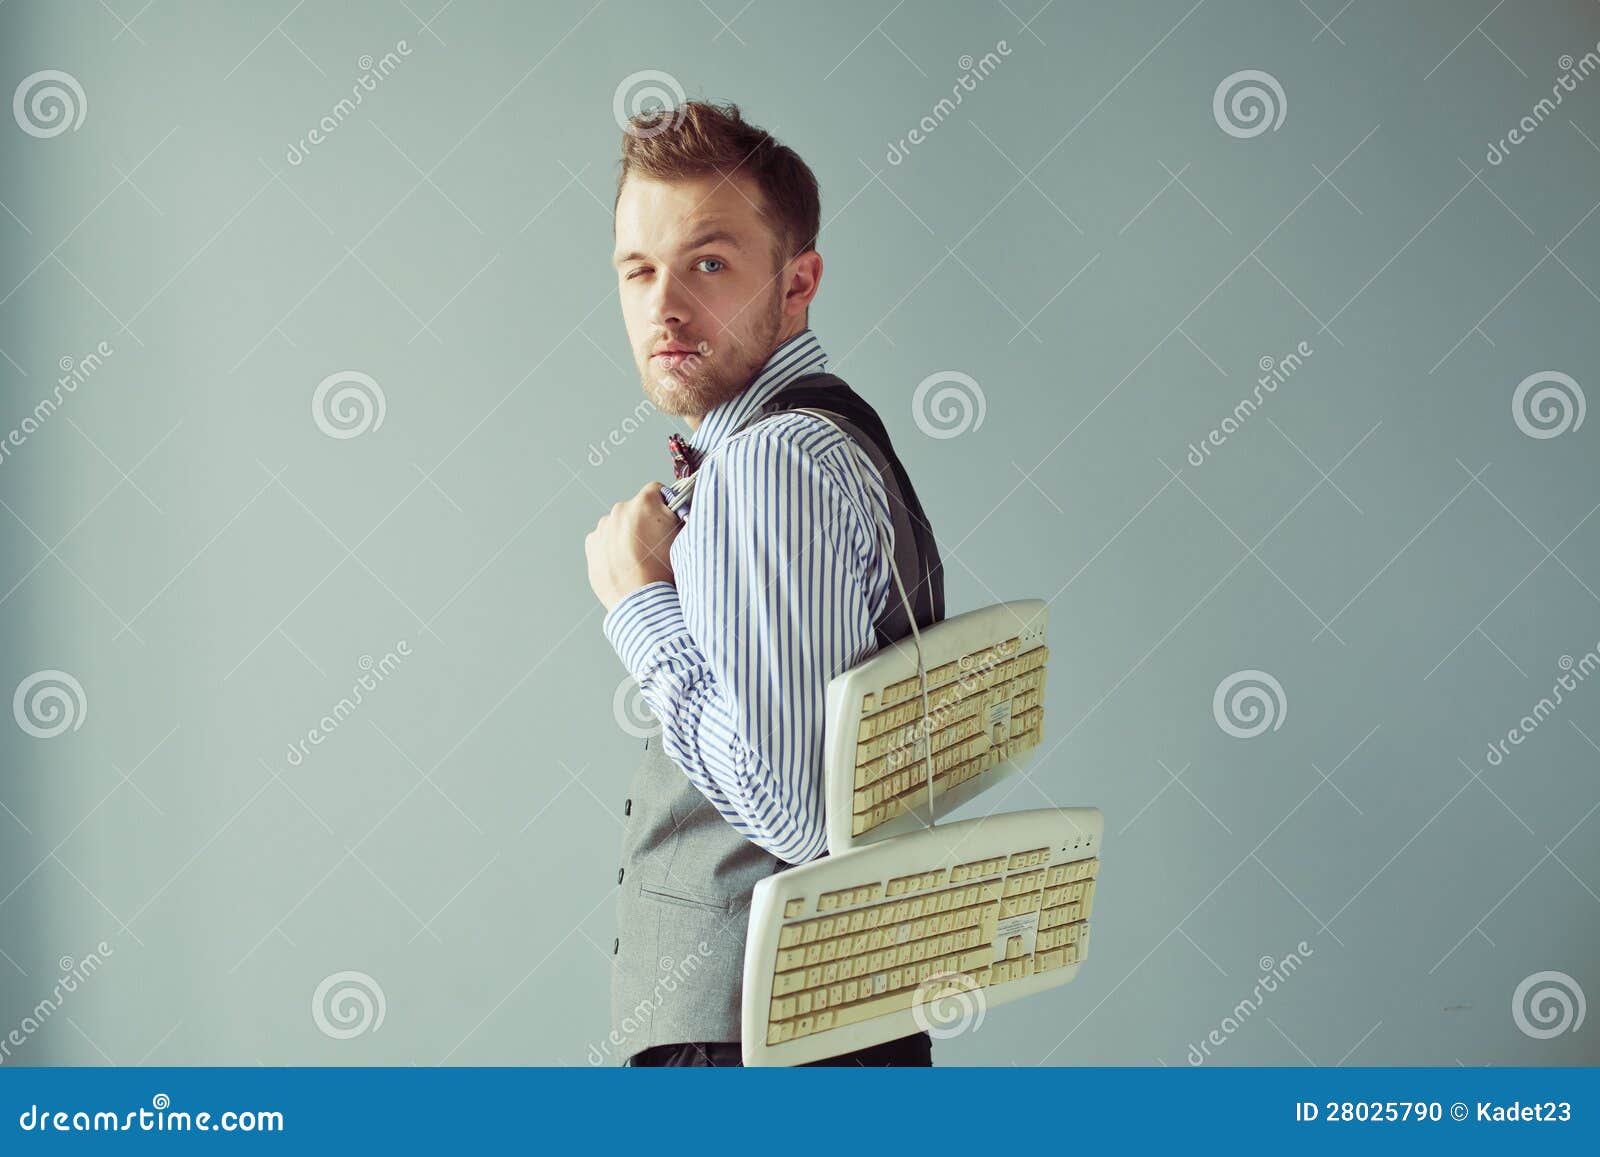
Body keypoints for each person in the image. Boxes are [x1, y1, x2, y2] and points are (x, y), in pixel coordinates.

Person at [583, 99, 943, 1067]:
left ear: (797, 283)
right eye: (638, 269)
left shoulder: (771, 463)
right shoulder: (827, 435)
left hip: (757, 1042)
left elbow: (792, 810)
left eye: (708, 263)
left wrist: (640, 606)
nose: (664, 306)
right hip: (825, 1026)